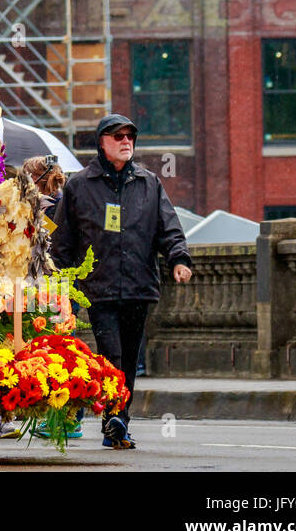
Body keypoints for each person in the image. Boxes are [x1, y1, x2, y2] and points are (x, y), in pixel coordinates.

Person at [50, 113, 193, 450]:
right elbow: (62, 242)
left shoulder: (148, 182)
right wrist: (61, 282)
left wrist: (179, 259)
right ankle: (114, 418)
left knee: (129, 360)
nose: (126, 141)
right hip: (99, 290)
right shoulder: (79, 186)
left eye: (130, 136)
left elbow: (168, 228)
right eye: (118, 136)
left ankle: (119, 422)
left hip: (139, 287)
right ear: (102, 142)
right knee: (111, 356)